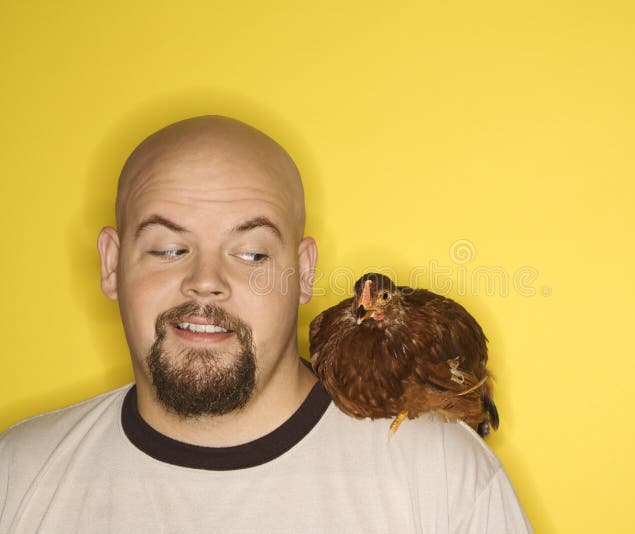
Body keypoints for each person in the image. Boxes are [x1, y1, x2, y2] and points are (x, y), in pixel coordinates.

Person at [0, 116, 533, 532]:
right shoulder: (17, 475)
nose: (205, 281)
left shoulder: (440, 477)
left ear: (303, 274)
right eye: (168, 248)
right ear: (112, 264)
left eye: (252, 254)